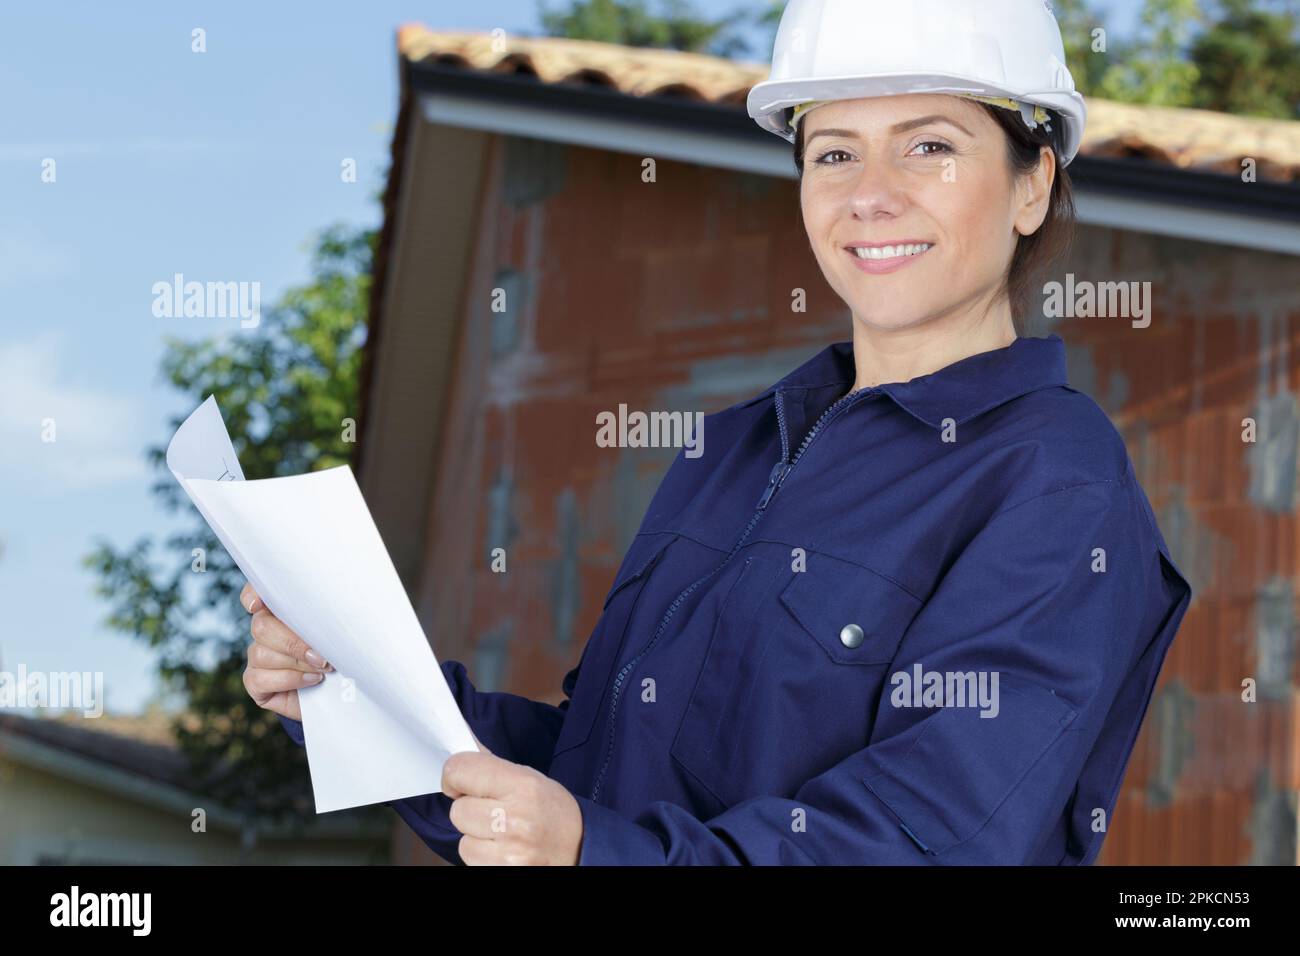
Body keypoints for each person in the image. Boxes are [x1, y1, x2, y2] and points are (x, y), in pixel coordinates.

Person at [242, 0, 1193, 865]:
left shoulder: (1055, 484)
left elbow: (928, 839)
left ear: (1032, 186)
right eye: (833, 152)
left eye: (929, 146)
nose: (871, 193)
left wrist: (593, 854)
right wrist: (349, 692)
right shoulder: (737, 452)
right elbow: (592, 773)